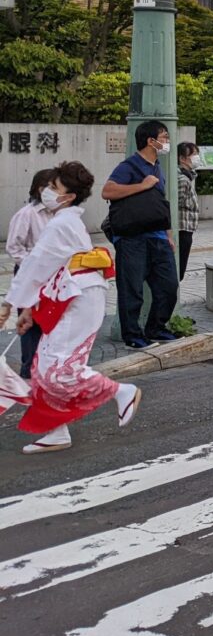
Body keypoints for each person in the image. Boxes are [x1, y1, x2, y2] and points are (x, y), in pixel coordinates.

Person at [2, 161, 142, 453]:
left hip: (80, 298)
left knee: (60, 367)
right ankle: (55, 431)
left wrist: (10, 303)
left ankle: (121, 391)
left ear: (68, 197)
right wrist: (27, 308)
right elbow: (43, 269)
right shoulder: (63, 221)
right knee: (44, 366)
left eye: (54, 188)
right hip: (68, 295)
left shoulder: (62, 223)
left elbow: (36, 265)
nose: (47, 192)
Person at [101, 120, 179, 349]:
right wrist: (142, 185)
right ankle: (133, 336)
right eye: (164, 137)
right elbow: (108, 191)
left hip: (158, 237)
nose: (167, 142)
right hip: (132, 238)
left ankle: (156, 328)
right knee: (131, 288)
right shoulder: (129, 166)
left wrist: (168, 234)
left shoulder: (158, 168)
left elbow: (159, 205)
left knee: (168, 285)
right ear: (150, 141)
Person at [5, 168, 54, 380]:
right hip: (30, 274)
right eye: (52, 187)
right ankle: (29, 370)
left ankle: (49, 369)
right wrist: (34, 264)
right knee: (30, 322)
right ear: (39, 189)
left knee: (52, 321)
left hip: (55, 275)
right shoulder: (26, 214)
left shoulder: (59, 213)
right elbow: (14, 247)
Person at [176, 142, 201, 282]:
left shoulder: (187, 177)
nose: (197, 158)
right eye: (193, 155)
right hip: (181, 230)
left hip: (186, 229)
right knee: (178, 270)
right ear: (182, 158)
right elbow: (174, 206)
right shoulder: (182, 180)